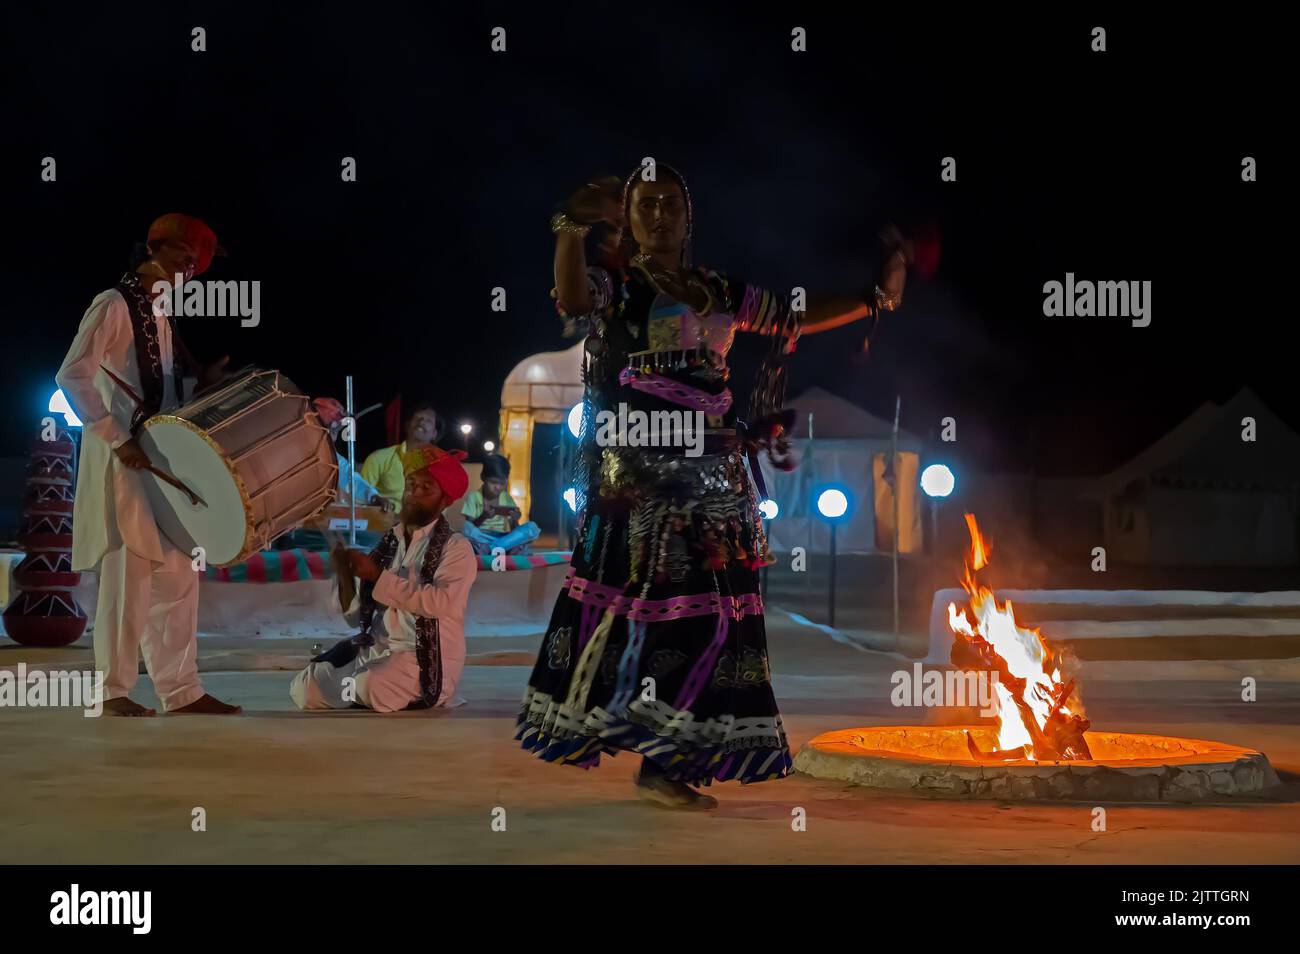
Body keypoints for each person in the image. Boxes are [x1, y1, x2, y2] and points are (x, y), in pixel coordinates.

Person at [515, 166, 909, 807]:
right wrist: (571, 227)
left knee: (711, 626)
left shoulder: (717, 289)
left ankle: (668, 761)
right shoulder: (616, 287)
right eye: (647, 205)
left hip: (715, 490)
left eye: (672, 204)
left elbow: (792, 317)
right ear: (631, 216)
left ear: (688, 216)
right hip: (638, 492)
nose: (660, 215)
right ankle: (655, 755)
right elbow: (573, 299)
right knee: (637, 623)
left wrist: (875, 297)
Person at [55, 213, 242, 716]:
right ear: (156, 250)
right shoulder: (114, 305)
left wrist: (205, 385)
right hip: (123, 462)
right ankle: (112, 692)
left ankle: (181, 691)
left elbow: (162, 393)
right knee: (126, 575)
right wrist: (116, 439)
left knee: (179, 573)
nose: (191, 268)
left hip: (157, 461)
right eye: (185, 256)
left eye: (197, 264)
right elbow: (72, 375)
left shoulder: (160, 316)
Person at [290, 445, 478, 712]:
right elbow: (355, 618)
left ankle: (370, 689)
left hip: (425, 659)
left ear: (445, 500)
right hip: (379, 650)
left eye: (426, 488)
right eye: (411, 484)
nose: (414, 493)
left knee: (369, 684)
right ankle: (369, 689)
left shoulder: (456, 547)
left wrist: (376, 576)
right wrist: (345, 575)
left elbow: (440, 603)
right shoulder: (391, 542)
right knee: (305, 688)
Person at [360, 401, 440, 512]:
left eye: (428, 420)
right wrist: (376, 504)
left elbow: (440, 508)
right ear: (407, 426)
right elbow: (359, 499)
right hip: (384, 526)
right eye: (417, 418)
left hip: (422, 527)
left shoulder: (441, 467)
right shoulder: (379, 458)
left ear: (434, 434)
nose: (421, 422)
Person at [311, 397, 387, 509]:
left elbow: (348, 477)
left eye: (333, 430)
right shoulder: (291, 439)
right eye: (325, 426)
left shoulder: (328, 457)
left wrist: (372, 496)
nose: (328, 434)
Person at [460, 454, 540, 555]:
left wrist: (515, 520)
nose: (498, 487)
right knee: (466, 528)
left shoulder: (506, 498)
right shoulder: (474, 497)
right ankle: (502, 549)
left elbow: (514, 530)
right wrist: (483, 517)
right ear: (483, 478)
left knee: (532, 527)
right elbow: (471, 526)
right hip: (482, 538)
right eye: (493, 483)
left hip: (504, 538)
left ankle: (492, 549)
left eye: (502, 483)